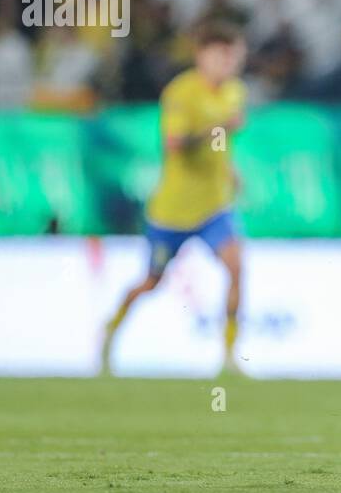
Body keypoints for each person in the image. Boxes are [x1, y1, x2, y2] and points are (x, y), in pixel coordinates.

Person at [101, 21, 248, 376]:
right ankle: (110, 329)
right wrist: (218, 130)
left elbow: (220, 145)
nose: (226, 65)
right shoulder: (181, 93)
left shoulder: (233, 92)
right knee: (152, 282)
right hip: (172, 212)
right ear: (201, 57)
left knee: (237, 268)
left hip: (214, 206)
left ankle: (229, 358)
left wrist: (229, 169)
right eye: (219, 57)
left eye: (231, 58)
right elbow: (175, 145)